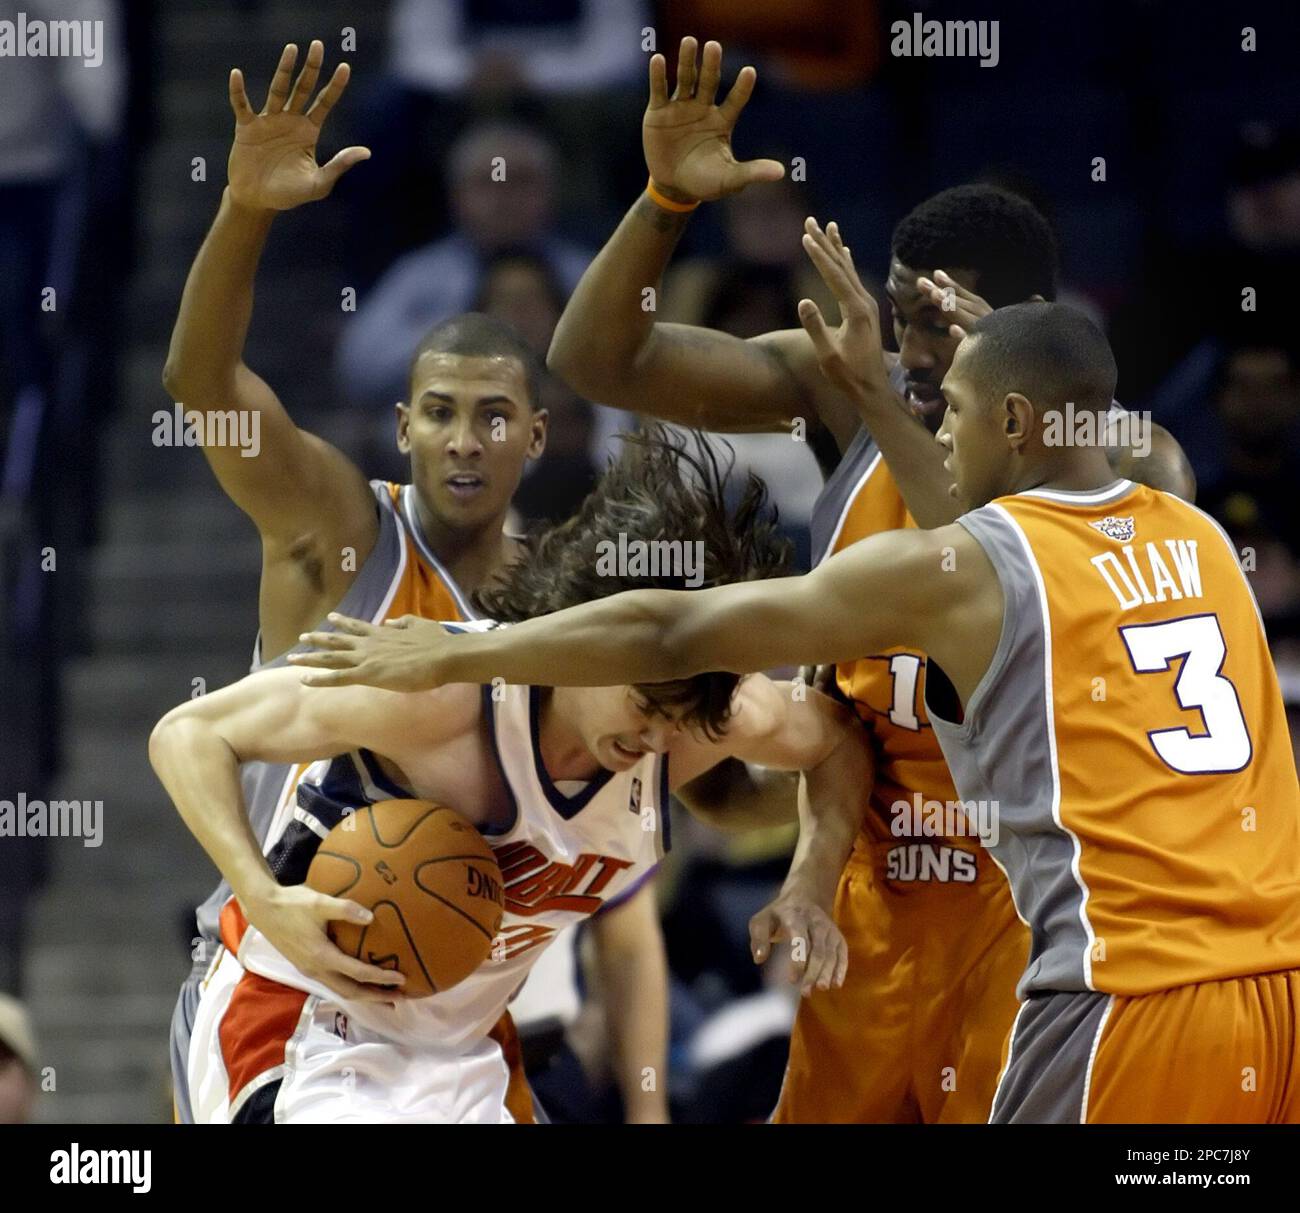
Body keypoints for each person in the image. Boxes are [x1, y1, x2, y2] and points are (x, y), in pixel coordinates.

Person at [295, 301, 1300, 1125]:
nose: (935, 436)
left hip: (1133, 997)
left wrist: (472, 647)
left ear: (1013, 422)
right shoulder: (1201, 532)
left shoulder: (969, 562)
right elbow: (1129, 437)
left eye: (950, 410)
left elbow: (674, 632)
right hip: (1280, 990)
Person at [542, 37, 1195, 1122]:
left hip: (1037, 898)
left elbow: (997, 557)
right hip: (872, 891)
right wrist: (662, 202)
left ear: (1030, 323)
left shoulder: (1127, 459)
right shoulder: (849, 380)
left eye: (939, 319)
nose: (907, 345)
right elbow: (596, 361)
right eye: (901, 313)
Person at [160, 41, 664, 1124]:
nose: (464, 440)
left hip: (467, 1000)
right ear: (403, 426)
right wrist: (246, 210)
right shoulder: (338, 529)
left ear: (538, 430)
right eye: (438, 412)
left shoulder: (559, 598)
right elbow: (201, 383)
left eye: (493, 415)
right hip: (290, 963)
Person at [150, 431, 871, 1124]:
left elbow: (839, 742)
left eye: (678, 721)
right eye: (645, 705)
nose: (656, 737)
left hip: (465, 1048)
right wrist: (266, 896)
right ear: (583, 639)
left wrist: (811, 875)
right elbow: (188, 733)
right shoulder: (438, 694)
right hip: (302, 1016)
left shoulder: (705, 714)